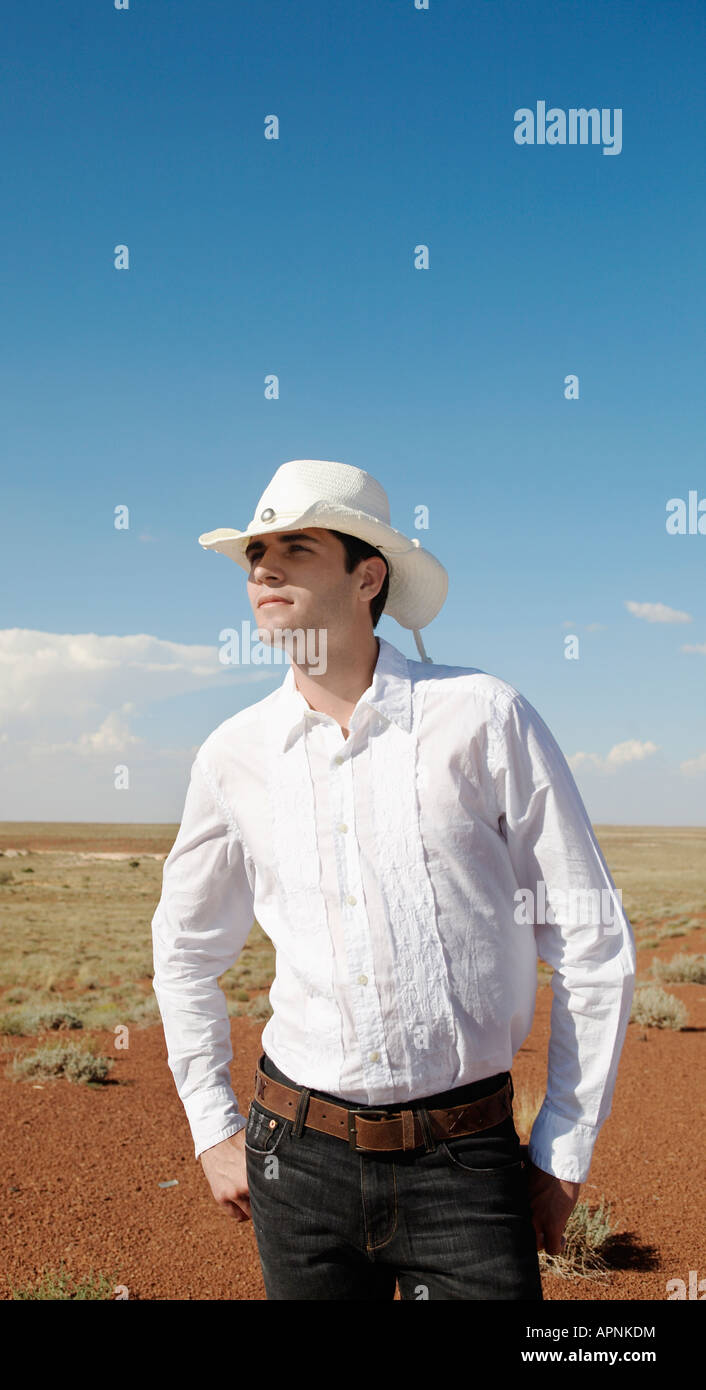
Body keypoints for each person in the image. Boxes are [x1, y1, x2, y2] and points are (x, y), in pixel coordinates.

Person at [151, 458, 636, 1300]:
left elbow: (591, 939)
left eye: (294, 547)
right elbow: (186, 948)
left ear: (367, 574)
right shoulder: (234, 753)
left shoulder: (483, 716)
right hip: (292, 1156)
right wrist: (210, 1128)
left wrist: (562, 1149)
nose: (262, 569)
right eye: (254, 552)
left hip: (465, 1161)